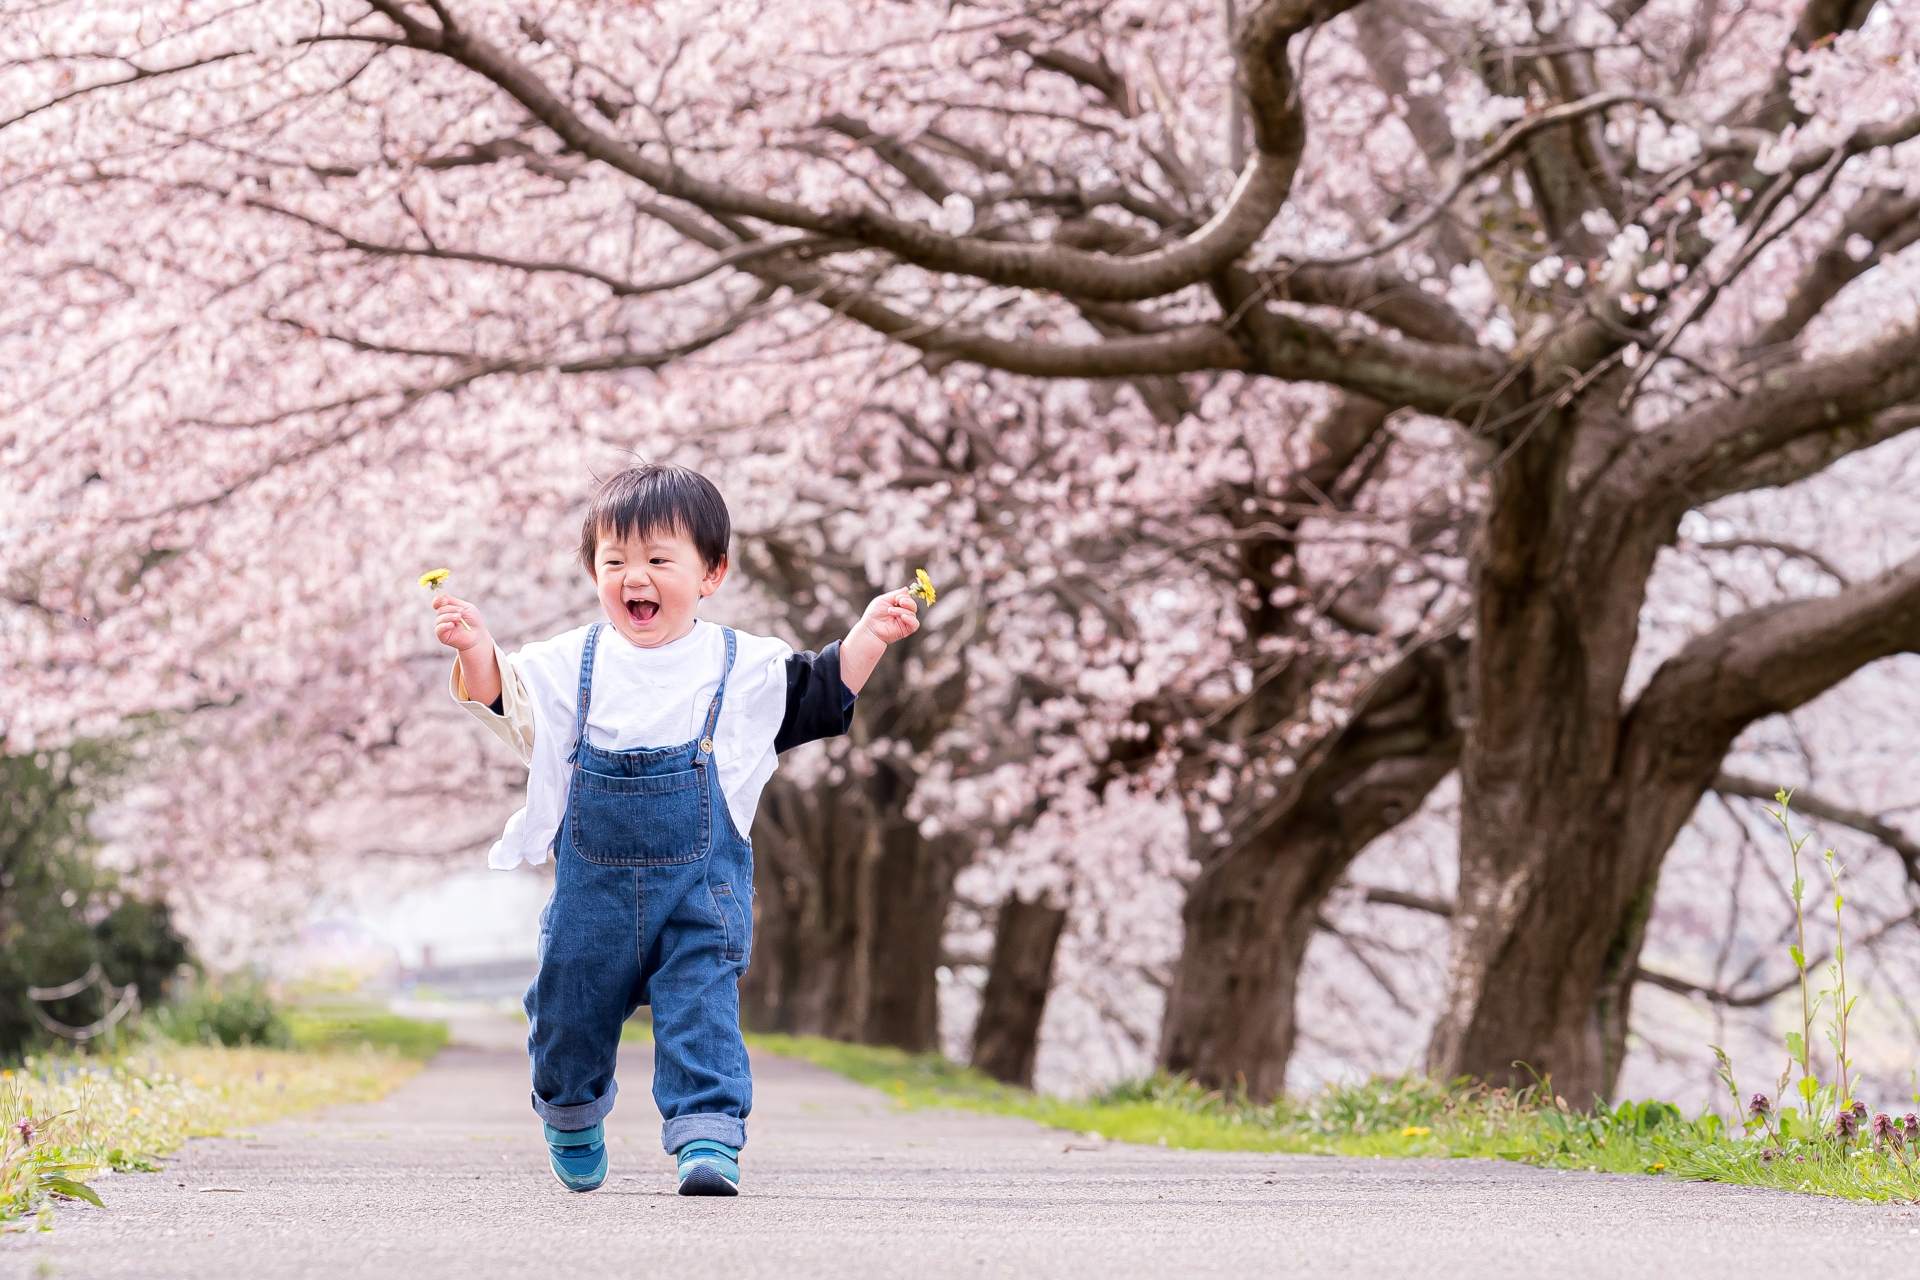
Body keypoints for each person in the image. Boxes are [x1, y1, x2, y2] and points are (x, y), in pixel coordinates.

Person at [429, 463, 920, 1197]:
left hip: (702, 892)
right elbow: (508, 698)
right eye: (615, 561)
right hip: (592, 898)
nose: (637, 578)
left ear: (711, 572)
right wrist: (473, 648)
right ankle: (570, 1112)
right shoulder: (572, 661)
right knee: (567, 1012)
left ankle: (708, 1138)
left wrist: (870, 636)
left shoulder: (740, 662)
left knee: (702, 1010)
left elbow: (819, 693)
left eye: (660, 559)